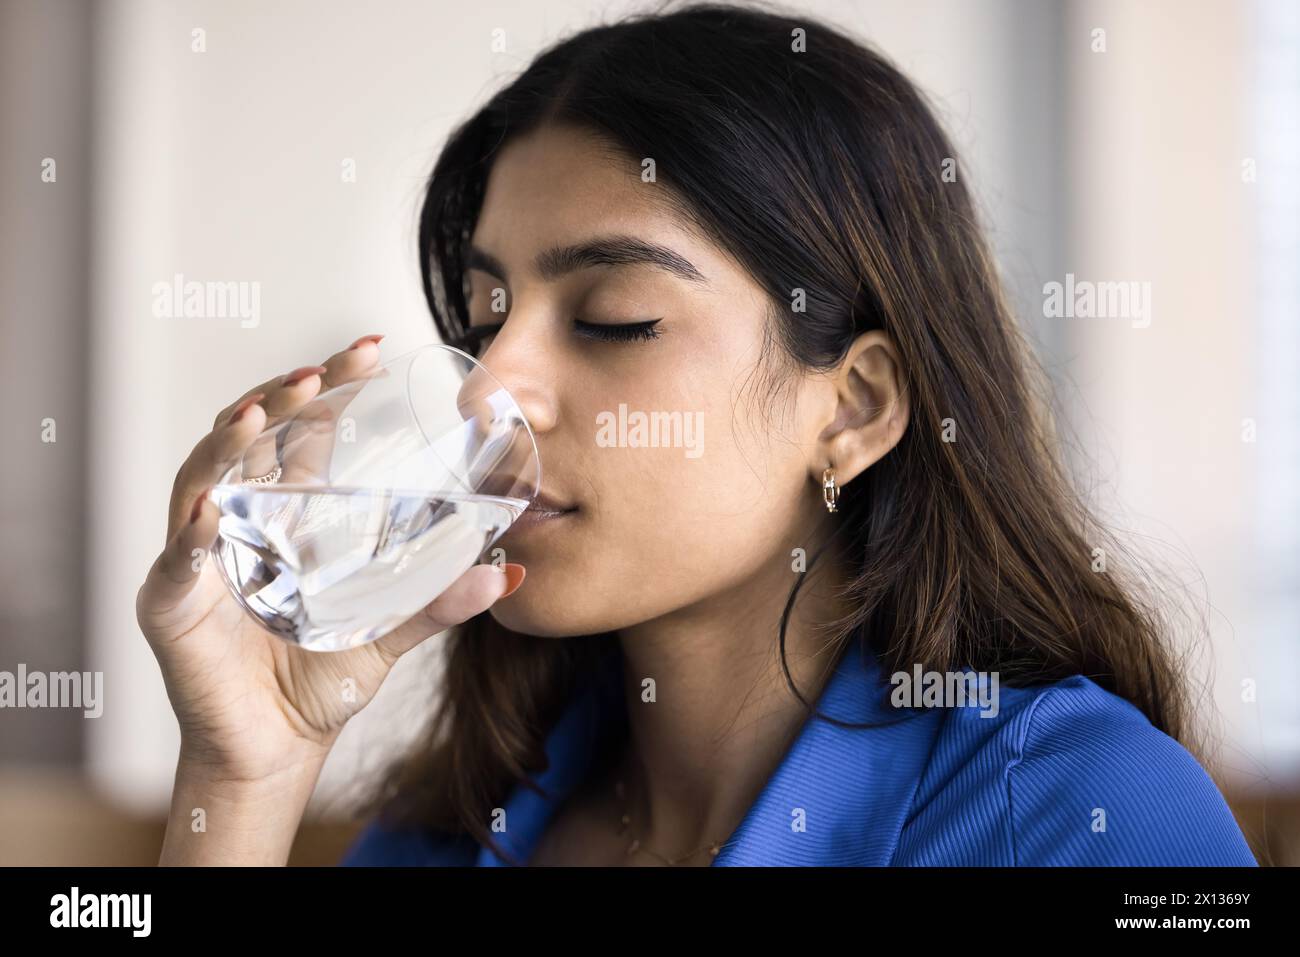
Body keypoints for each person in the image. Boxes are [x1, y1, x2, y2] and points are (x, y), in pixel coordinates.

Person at [137, 1, 1258, 866]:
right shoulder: (454, 831)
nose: (493, 392)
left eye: (614, 319)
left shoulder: (1074, 809)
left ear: (854, 406)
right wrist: (244, 784)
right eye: (485, 319)